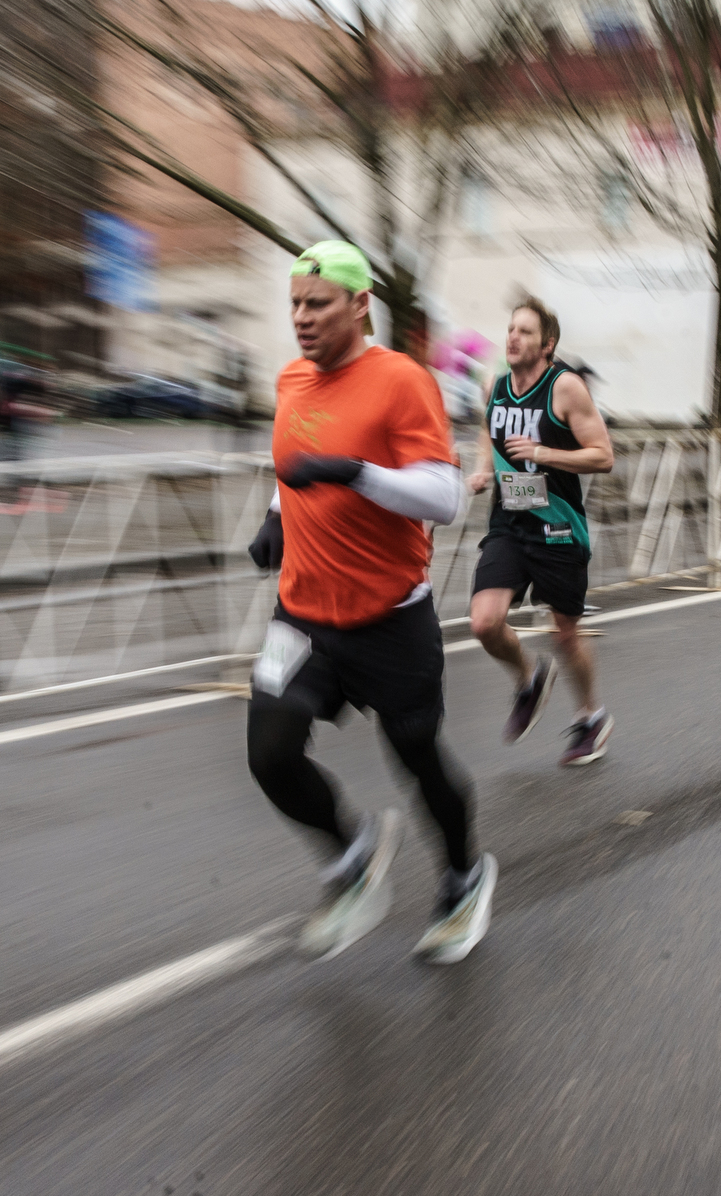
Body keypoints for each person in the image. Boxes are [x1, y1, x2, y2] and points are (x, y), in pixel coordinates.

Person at [243, 241, 494, 965]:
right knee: (270, 752)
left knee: (417, 757)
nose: (302, 318)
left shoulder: (402, 381)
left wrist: (356, 473)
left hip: (390, 617)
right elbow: (295, 465)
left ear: (360, 305)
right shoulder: (292, 380)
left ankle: (463, 877)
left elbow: (445, 497)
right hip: (306, 615)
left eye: (317, 303)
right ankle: (350, 860)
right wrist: (276, 515)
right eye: (294, 303)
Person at [466, 297, 617, 767]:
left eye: (525, 332)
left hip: (558, 525)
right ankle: (530, 679)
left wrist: (545, 454)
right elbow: (486, 432)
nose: (513, 338)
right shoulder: (495, 384)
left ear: (547, 345)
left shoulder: (565, 388)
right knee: (484, 622)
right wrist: (481, 470)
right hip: (511, 521)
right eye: (510, 329)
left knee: (566, 634)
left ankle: (591, 716)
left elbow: (603, 455)